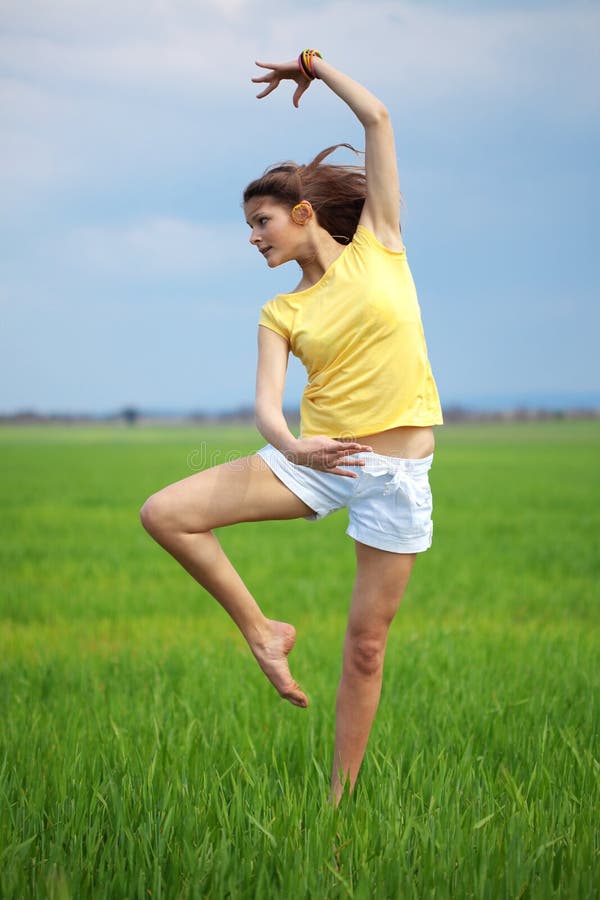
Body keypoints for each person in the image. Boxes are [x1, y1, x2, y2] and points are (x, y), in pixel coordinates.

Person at [140, 51, 443, 805]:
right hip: (315, 459)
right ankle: (262, 631)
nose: (253, 238)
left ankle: (340, 804)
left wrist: (315, 66)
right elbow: (268, 408)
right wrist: (293, 447)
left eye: (261, 222)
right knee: (165, 513)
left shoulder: (381, 244)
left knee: (366, 648)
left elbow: (377, 118)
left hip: (397, 475)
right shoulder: (281, 311)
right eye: (249, 226)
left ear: (303, 214)